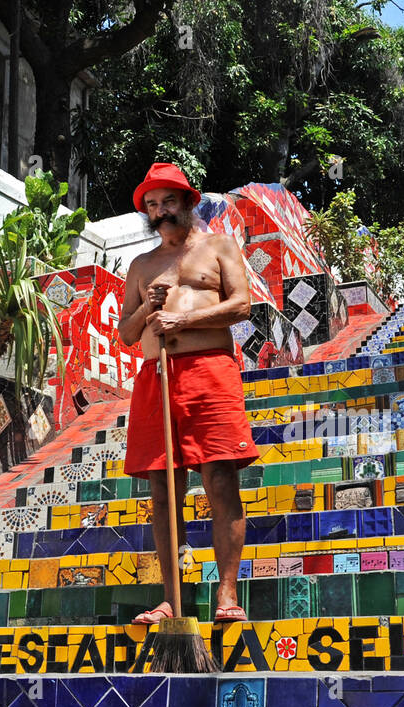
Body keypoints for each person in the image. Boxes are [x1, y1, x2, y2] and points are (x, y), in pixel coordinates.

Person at [118, 162, 258, 625]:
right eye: (152, 205)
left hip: (209, 372)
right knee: (162, 491)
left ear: (188, 202)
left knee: (220, 481)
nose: (160, 211)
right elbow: (125, 334)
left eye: (168, 201)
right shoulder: (141, 265)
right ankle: (171, 601)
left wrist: (183, 320)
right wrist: (149, 310)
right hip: (156, 377)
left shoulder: (218, 246)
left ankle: (227, 596)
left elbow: (242, 305)